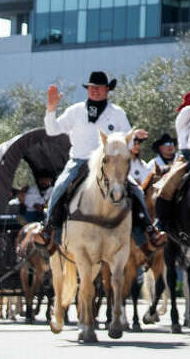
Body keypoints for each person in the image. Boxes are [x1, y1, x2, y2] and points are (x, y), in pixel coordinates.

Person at [40, 71, 148, 246]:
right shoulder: (75, 111)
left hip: (109, 163)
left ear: (107, 89)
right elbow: (52, 130)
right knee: (60, 187)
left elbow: (127, 143)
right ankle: (49, 229)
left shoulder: (118, 113)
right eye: (91, 87)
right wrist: (51, 109)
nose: (94, 91)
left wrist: (133, 136)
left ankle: (147, 231)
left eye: (98, 88)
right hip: (79, 161)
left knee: (137, 191)